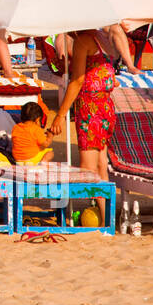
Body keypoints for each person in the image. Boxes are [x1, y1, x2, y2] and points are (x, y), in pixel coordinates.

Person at [48, 28, 116, 206]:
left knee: (89, 169)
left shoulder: (82, 41)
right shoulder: (102, 39)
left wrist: (60, 115)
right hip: (105, 108)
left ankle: (104, 221)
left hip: (91, 109)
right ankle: (106, 216)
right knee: (101, 164)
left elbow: (77, 80)